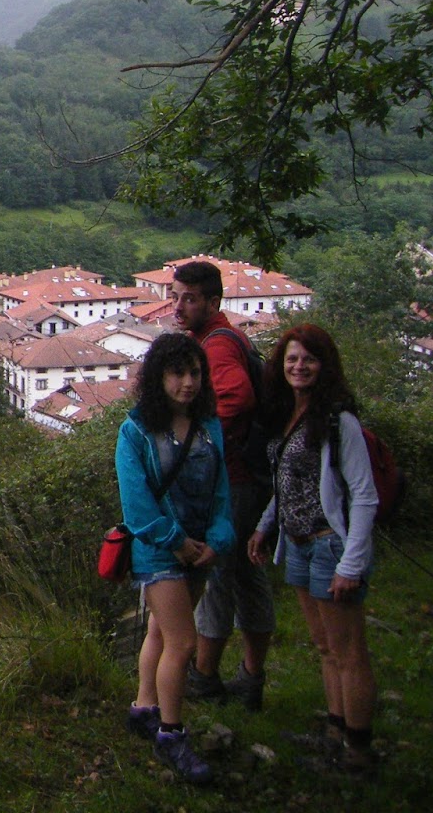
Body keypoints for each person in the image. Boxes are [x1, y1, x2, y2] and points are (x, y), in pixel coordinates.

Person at [248, 324, 378, 773]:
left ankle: (358, 750)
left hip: (330, 547)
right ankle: (335, 730)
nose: (299, 367)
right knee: (324, 648)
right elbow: (290, 484)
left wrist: (352, 563)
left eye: (308, 359)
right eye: (291, 359)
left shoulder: (339, 421)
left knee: (349, 652)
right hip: (299, 547)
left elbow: (363, 495)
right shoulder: (289, 414)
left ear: (325, 366)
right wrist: (265, 527)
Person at [116, 332, 234, 785]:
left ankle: (145, 708)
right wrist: (178, 541)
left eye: (195, 373)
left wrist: (217, 539)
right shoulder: (136, 432)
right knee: (184, 643)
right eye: (177, 373)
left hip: (202, 548)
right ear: (157, 377)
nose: (187, 382)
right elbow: (138, 505)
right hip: (160, 550)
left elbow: (221, 491)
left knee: (161, 633)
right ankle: (171, 733)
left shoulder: (209, 426)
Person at [170, 259, 276, 709]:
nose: (178, 306)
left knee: (217, 574)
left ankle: (205, 674)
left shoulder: (216, 346)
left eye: (189, 298)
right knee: (248, 575)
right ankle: (252, 675)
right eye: (175, 296)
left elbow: (236, 397)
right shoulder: (221, 338)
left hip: (234, 478)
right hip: (249, 475)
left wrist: (196, 445)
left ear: (213, 301)